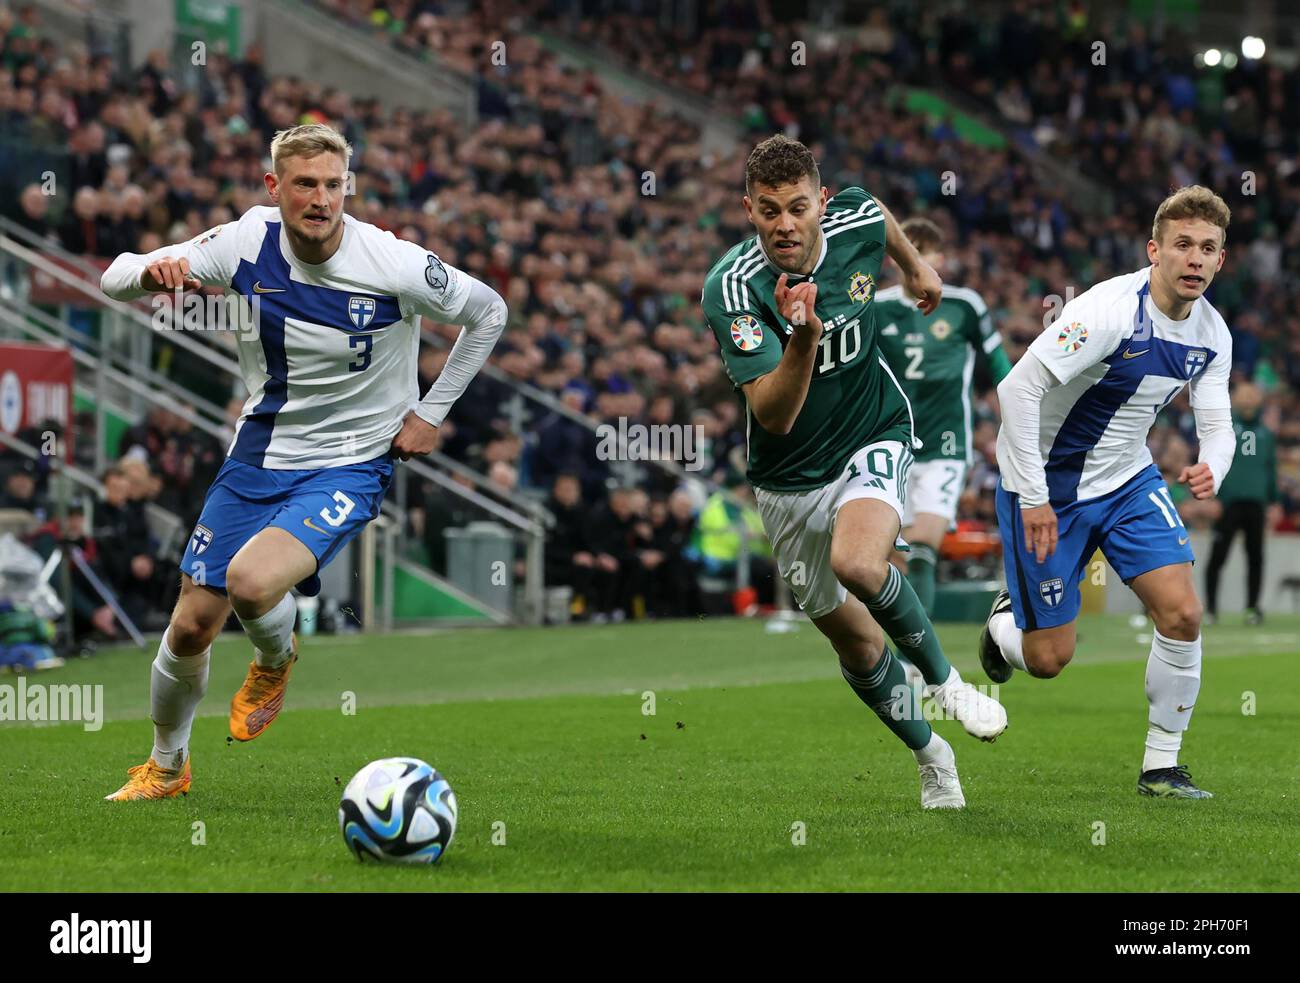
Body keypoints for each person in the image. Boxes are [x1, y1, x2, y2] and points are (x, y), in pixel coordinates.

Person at [98, 123, 507, 800]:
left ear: (348, 186)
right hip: (258, 454)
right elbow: (113, 276)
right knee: (192, 621)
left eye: (333, 184)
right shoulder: (242, 242)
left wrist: (430, 413)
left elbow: (488, 311)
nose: (320, 198)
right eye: (305, 184)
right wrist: (148, 272)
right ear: (274, 187)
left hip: (351, 462)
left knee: (252, 583)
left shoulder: (393, 262)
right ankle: (166, 767)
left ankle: (275, 654)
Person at [701, 135, 1006, 810]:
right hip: (788, 478)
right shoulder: (732, 289)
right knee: (860, 647)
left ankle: (946, 680)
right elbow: (775, 417)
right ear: (748, 209)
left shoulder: (857, 215)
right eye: (769, 209)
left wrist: (917, 268)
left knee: (861, 564)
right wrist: (803, 336)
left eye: (798, 207)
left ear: (823, 204)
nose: (785, 224)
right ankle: (933, 753)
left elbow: (880, 217)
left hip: (876, 427)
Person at [980, 186, 1236, 799]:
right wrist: (1035, 495)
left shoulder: (1213, 334)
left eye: (1208, 248)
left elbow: (1218, 425)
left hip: (1126, 479)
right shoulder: (1107, 311)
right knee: (1047, 660)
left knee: (1182, 613)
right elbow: (1016, 390)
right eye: (1182, 246)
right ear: (1155, 251)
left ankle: (1161, 769)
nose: (1195, 259)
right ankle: (1001, 626)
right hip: (1045, 484)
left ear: (1221, 260)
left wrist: (1214, 468)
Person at [875, 217, 1011, 614]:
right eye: (906, 251)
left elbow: (1000, 366)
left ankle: (913, 663)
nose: (913, 260)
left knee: (921, 547)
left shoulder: (964, 305)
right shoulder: (876, 309)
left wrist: (1020, 418)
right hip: (889, 444)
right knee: (889, 559)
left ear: (939, 260)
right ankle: (895, 653)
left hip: (946, 444)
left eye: (923, 252)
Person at [1204, 382, 1279, 625]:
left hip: (1256, 504)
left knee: (1256, 557)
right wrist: (1213, 495)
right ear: (1234, 399)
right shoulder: (1224, 429)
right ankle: (1211, 610)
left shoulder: (1267, 434)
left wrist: (1274, 501)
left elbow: (1271, 469)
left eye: (1252, 395)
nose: (1248, 400)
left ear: (1259, 399)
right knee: (1218, 557)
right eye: (1243, 395)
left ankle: (1252, 609)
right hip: (1228, 503)